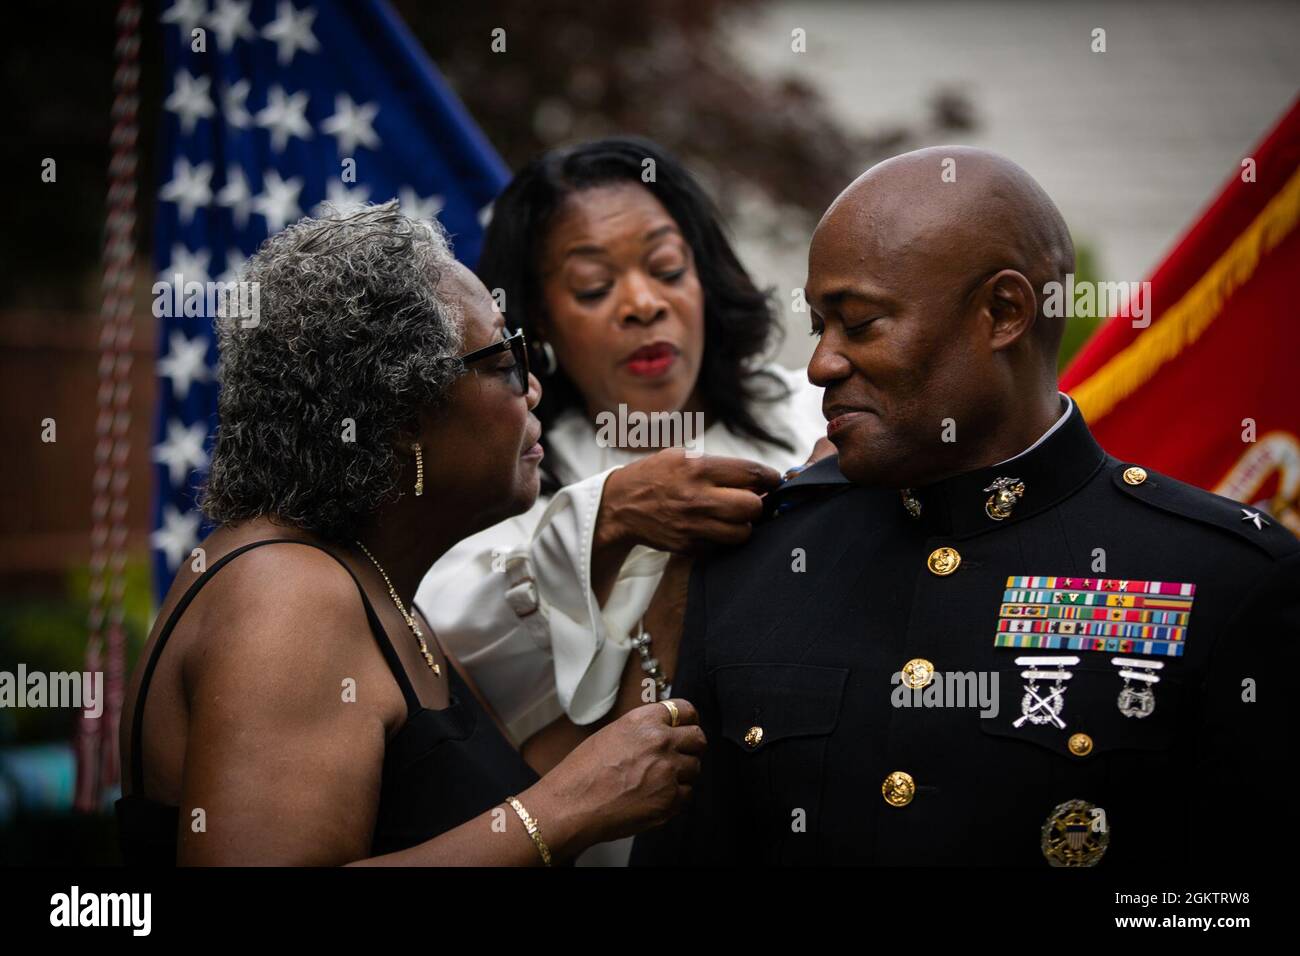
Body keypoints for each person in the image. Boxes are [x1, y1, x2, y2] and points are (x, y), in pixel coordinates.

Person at [630, 146, 1300, 867]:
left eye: (858, 324)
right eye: (821, 324)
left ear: (1003, 312)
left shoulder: (1227, 578)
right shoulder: (762, 554)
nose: (821, 362)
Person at [116, 204, 704, 866]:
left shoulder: (369, 583)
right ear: (404, 416)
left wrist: (670, 586)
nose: (534, 387)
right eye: (503, 357)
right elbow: (545, 809)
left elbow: (496, 800)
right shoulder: (287, 595)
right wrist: (564, 813)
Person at [415, 138, 827, 761]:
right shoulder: (507, 477)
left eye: (667, 270)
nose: (643, 304)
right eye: (593, 286)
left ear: (704, 278)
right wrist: (602, 522)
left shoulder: (818, 408)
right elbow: (448, 656)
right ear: (541, 323)